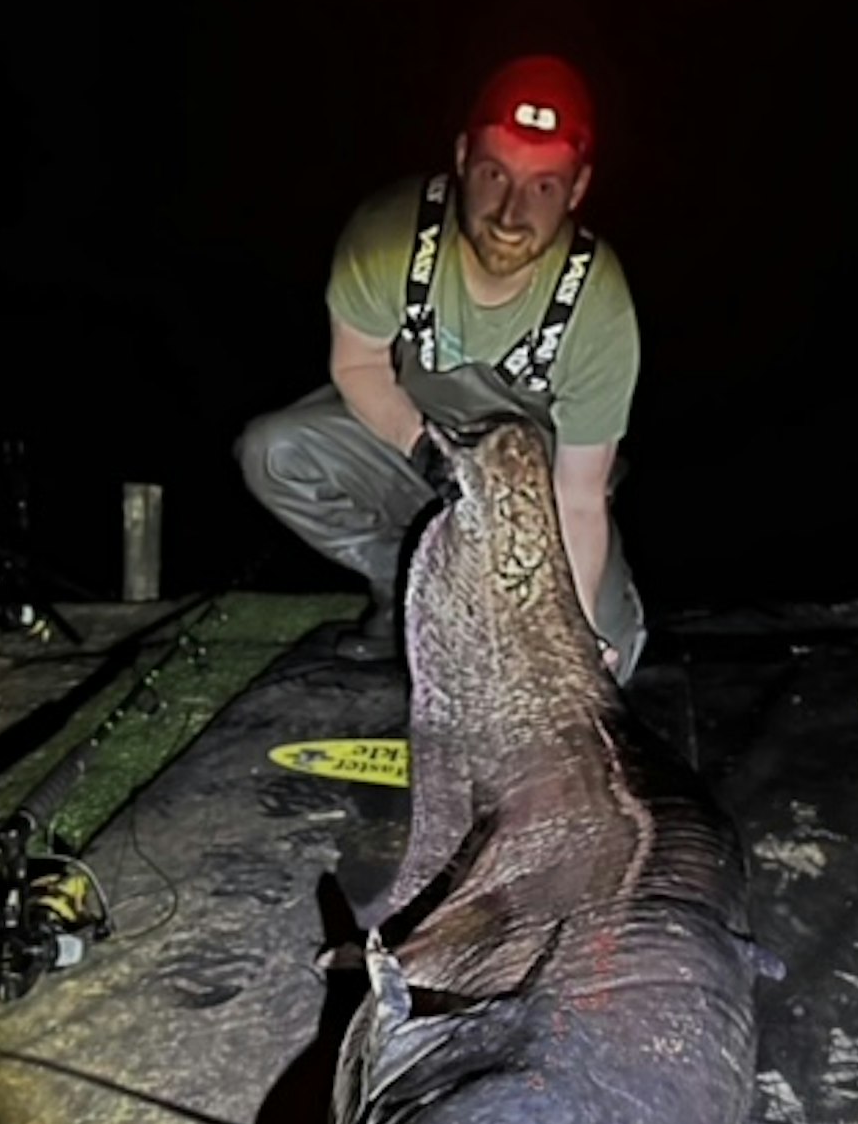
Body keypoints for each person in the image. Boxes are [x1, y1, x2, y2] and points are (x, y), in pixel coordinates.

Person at [235, 54, 646, 681]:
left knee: (608, 655)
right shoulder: (387, 237)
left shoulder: (599, 301)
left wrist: (578, 631)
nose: (511, 214)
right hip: (426, 452)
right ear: (461, 157)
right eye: (493, 174)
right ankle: (403, 590)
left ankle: (514, 618)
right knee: (272, 449)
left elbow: (582, 495)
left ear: (578, 188)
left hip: (540, 494)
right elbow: (359, 366)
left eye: (543, 187)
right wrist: (428, 455)